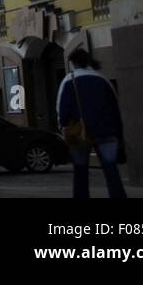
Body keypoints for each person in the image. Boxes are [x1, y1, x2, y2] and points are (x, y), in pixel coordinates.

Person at [56, 48, 128, 199]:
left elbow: (62, 109)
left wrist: (63, 127)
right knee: (111, 171)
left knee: (81, 172)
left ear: (73, 63)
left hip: (79, 133)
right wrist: (119, 137)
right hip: (107, 132)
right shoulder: (103, 79)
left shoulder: (69, 80)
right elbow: (116, 110)